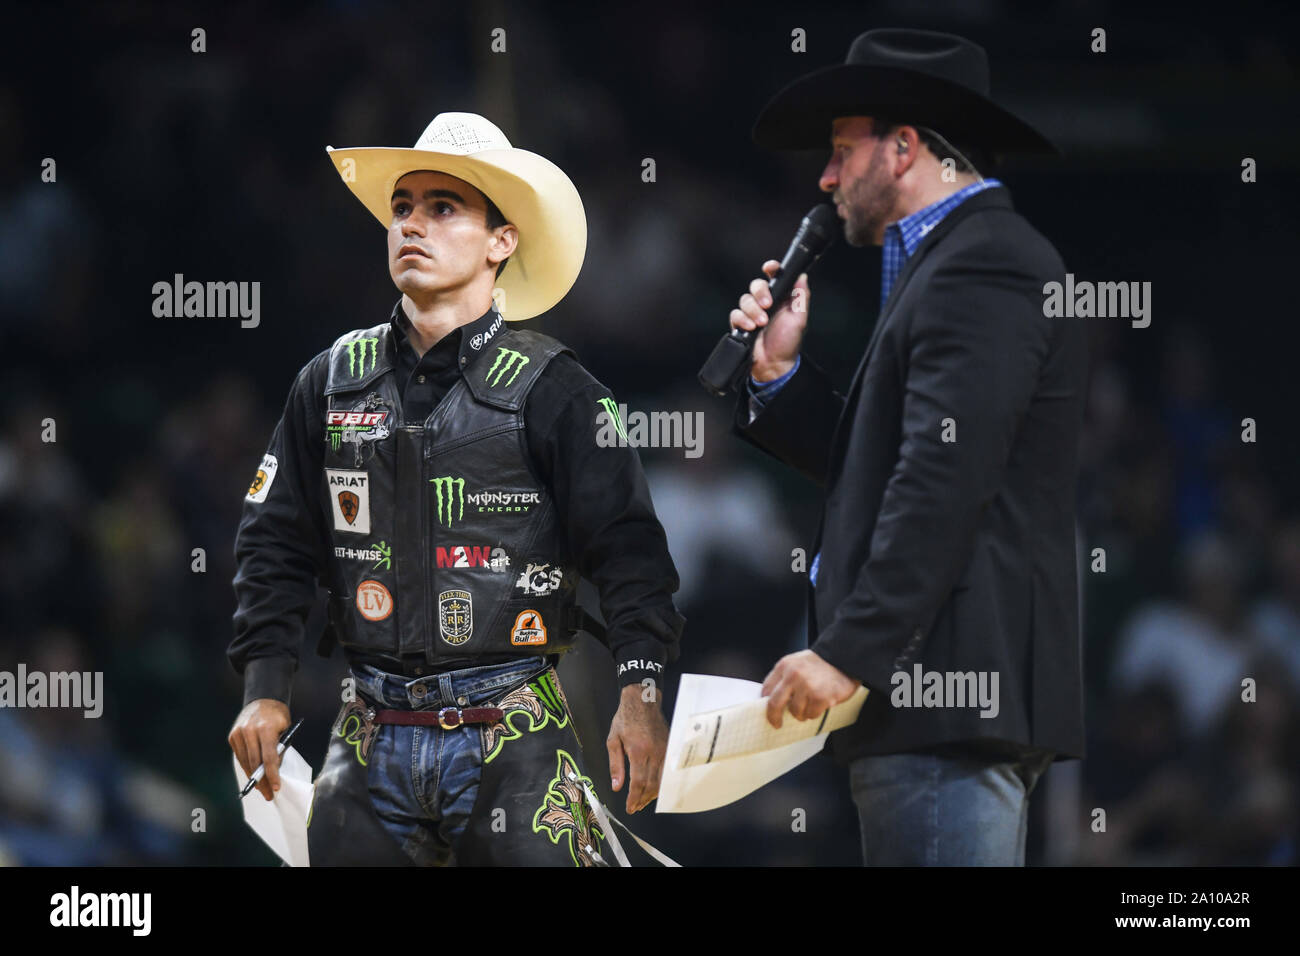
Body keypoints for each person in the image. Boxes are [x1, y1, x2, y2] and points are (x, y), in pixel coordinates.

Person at [227, 112, 685, 866]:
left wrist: (640, 691)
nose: (413, 223)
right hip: (366, 724)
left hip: (513, 723)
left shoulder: (557, 390)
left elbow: (630, 551)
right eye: (402, 207)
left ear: (502, 241)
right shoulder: (329, 382)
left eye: (444, 208)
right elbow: (274, 542)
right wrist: (265, 683)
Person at [726, 29, 1087, 865]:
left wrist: (851, 650)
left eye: (839, 151)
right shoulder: (954, 265)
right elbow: (894, 468)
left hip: (944, 694)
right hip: (927, 700)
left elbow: (942, 479)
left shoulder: (985, 261)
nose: (824, 176)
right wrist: (780, 375)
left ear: (903, 148)